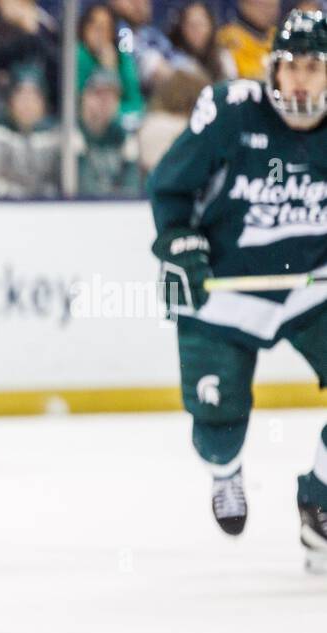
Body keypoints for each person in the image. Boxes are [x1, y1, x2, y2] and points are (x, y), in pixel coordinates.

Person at [148, 9, 327, 572]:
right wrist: (180, 243)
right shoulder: (229, 110)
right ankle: (225, 471)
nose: (300, 78)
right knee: (218, 432)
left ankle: (319, 503)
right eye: (291, 65)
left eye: (315, 66)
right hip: (224, 294)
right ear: (271, 68)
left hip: (310, 287)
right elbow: (170, 187)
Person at [0, 63, 61, 198]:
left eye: (34, 98)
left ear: (44, 104)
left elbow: (64, 181)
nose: (27, 105)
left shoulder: (56, 135)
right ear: (10, 101)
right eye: (22, 96)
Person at [75, 67, 141, 196]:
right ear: (84, 97)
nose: (106, 101)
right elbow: (80, 186)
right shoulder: (73, 134)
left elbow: (132, 185)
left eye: (112, 96)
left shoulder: (124, 136)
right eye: (99, 94)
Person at [78, 3, 145, 128]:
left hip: (119, 125)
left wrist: (112, 69)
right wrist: (106, 71)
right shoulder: (77, 56)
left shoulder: (122, 58)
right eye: (95, 27)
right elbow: (78, 102)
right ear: (84, 29)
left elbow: (136, 103)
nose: (99, 34)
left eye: (105, 28)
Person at [167, 1, 235, 84]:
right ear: (181, 29)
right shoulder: (174, 59)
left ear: (211, 26)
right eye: (191, 25)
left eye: (201, 24)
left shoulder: (223, 57)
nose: (197, 30)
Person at [216, 0, 281, 81]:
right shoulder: (227, 39)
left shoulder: (280, 37)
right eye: (264, 6)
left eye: (273, 7)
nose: (269, 12)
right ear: (244, 4)